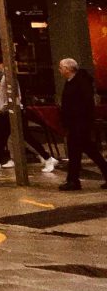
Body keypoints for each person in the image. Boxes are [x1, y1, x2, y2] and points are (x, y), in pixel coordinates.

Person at [58, 57, 107, 191]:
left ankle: (73, 180)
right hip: (75, 124)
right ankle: (73, 180)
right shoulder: (70, 82)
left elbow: (86, 103)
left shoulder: (80, 82)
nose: (60, 70)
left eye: (61, 67)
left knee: (82, 151)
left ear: (68, 69)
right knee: (83, 151)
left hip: (80, 124)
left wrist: (79, 120)